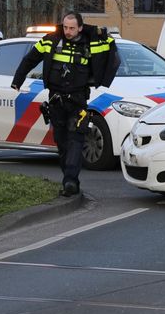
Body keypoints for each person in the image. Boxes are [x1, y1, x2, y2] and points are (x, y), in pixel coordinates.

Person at [10, 11, 120, 196]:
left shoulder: (90, 42)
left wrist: (99, 33)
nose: (68, 31)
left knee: (76, 140)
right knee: (62, 143)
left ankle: (70, 181)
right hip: (56, 100)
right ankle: (70, 179)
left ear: (80, 28)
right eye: (66, 27)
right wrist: (17, 80)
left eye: (72, 28)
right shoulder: (51, 40)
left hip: (77, 100)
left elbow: (111, 53)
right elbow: (30, 59)